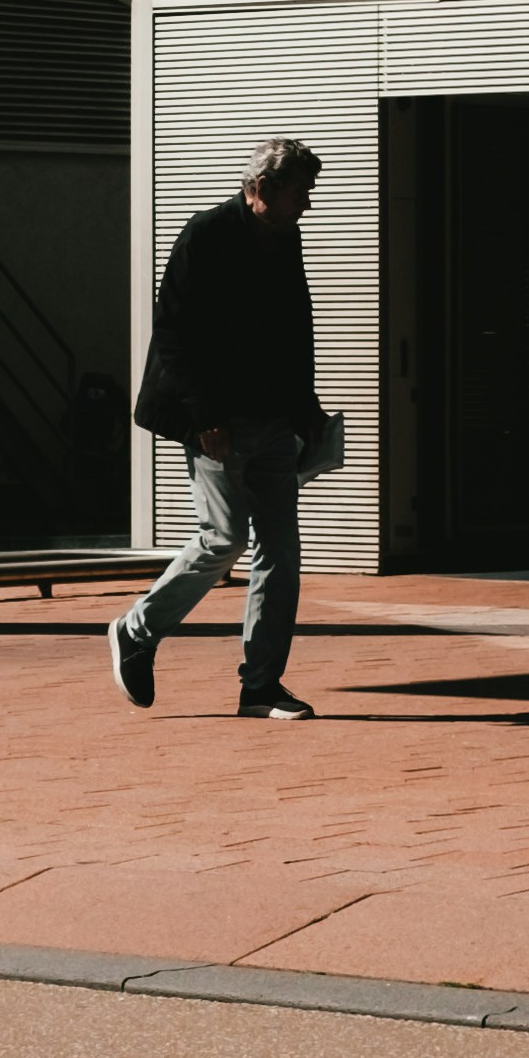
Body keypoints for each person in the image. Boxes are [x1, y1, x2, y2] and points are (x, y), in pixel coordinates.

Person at [112, 134, 326, 722]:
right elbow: (175, 332)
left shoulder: (285, 239)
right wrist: (205, 416)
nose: (304, 206)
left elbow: (292, 326)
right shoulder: (205, 235)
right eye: (297, 195)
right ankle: (137, 629)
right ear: (259, 189)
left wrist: (306, 409)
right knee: (224, 538)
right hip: (216, 422)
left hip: (273, 418)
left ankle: (261, 687)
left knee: (281, 552)